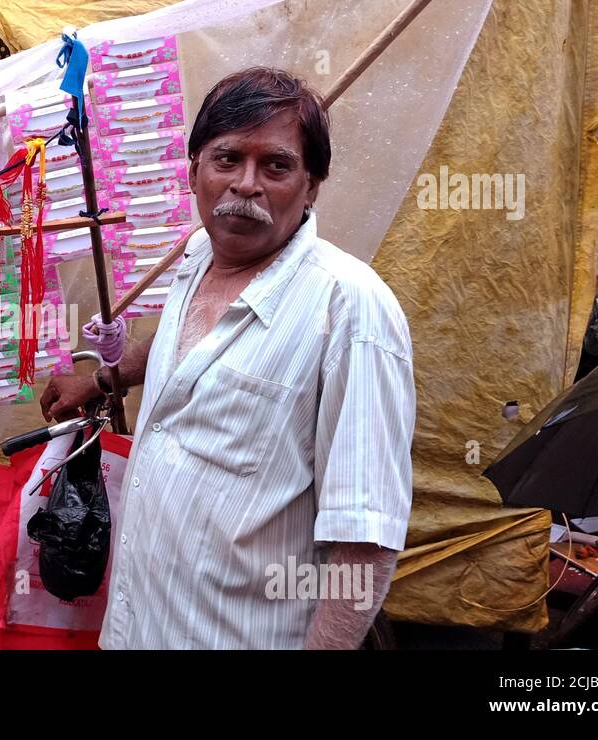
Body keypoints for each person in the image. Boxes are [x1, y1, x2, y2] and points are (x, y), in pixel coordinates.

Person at [39, 67, 415, 649]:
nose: (246, 184)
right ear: (194, 172)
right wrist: (104, 381)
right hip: (140, 627)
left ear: (312, 185)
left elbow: (367, 539)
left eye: (277, 165)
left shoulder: (351, 308)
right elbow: (188, 347)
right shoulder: (197, 258)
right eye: (227, 159)